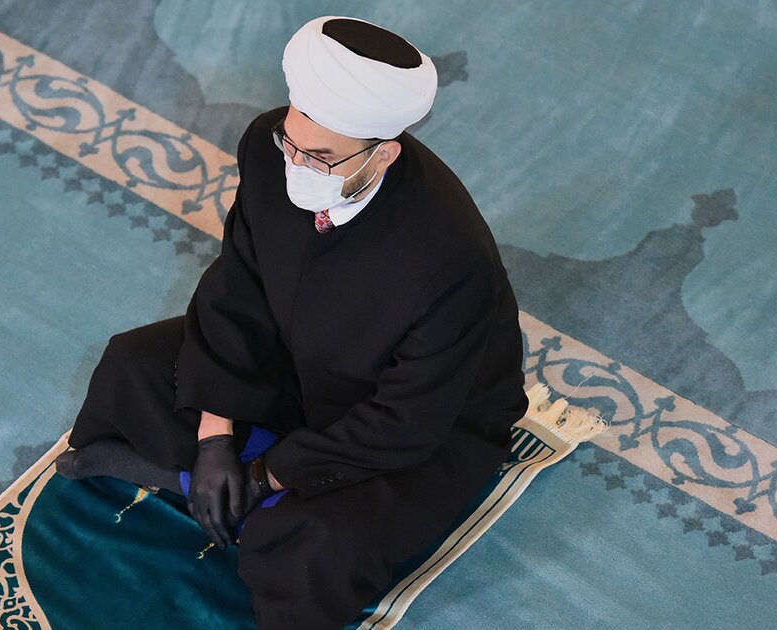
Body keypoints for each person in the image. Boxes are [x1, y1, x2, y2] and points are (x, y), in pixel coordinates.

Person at [54, 15, 528, 629]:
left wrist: (264, 476)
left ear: (384, 154)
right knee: (132, 364)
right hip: (295, 355)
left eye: (322, 157)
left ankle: (206, 491)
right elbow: (238, 284)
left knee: (315, 546)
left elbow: (407, 420)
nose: (297, 166)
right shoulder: (266, 144)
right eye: (292, 143)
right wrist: (216, 435)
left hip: (422, 425)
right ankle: (205, 479)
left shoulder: (448, 257)